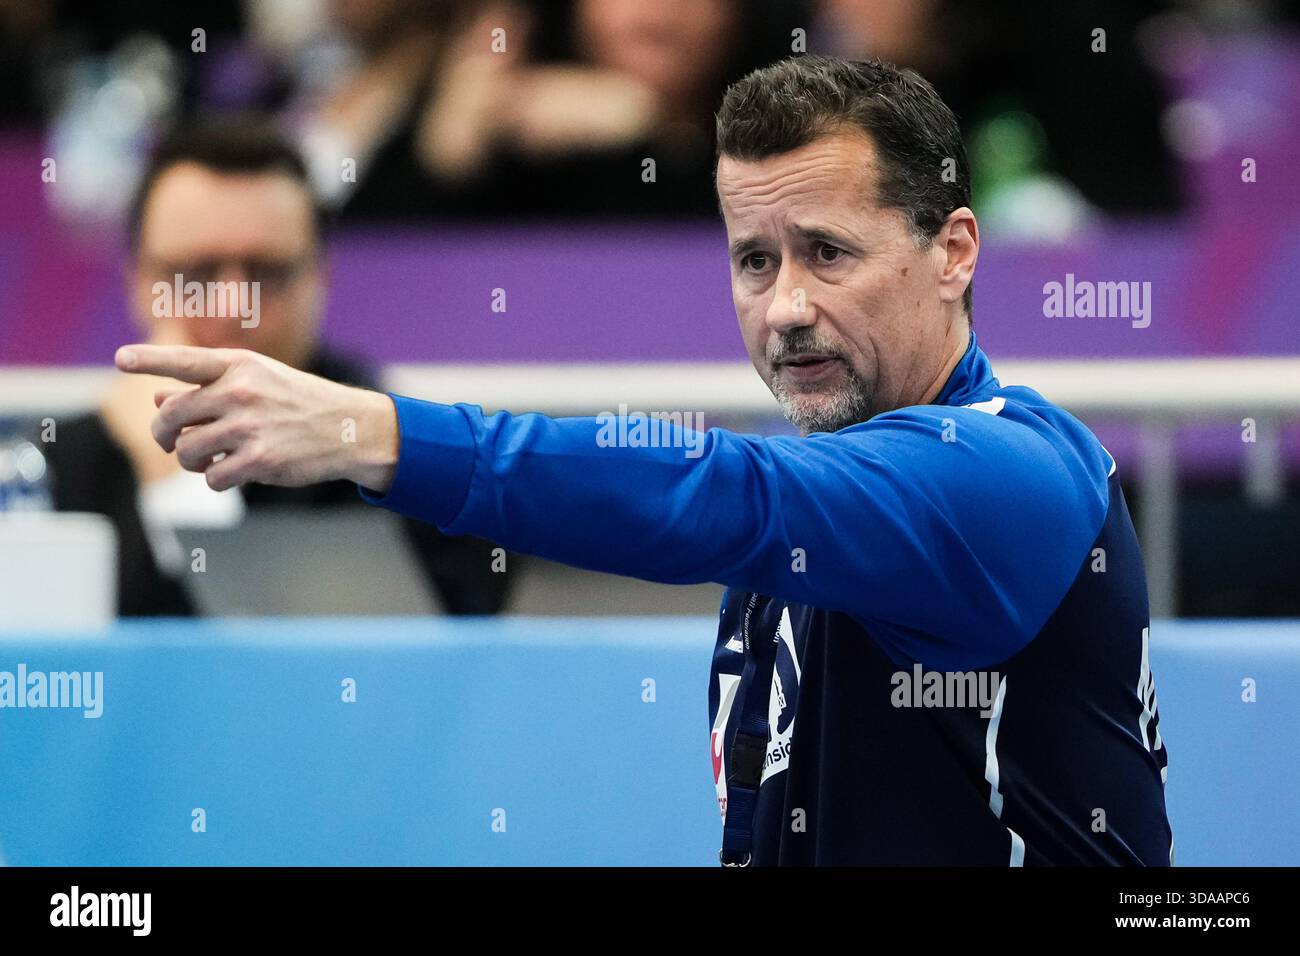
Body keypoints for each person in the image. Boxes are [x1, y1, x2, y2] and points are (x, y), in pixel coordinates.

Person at [115, 57, 1172, 865]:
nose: (786, 308)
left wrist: (372, 435)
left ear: (952, 252)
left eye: (828, 253)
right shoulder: (810, 507)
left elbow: (719, 493)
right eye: (754, 260)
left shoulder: (1010, 474)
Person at [45, 118, 508, 616]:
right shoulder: (60, 471)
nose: (233, 305)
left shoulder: (403, 463)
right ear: (138, 282)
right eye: (195, 273)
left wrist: (178, 482)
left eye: (266, 273)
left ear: (320, 278)